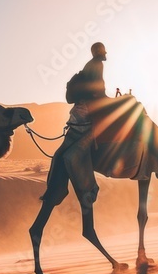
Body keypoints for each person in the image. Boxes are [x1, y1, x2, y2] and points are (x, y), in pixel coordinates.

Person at [41, 42, 108, 205]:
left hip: (78, 110)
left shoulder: (89, 65)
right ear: (99, 52)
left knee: (61, 152)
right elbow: (97, 89)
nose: (104, 53)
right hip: (88, 109)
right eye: (103, 51)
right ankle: (91, 184)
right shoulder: (97, 64)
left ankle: (55, 187)